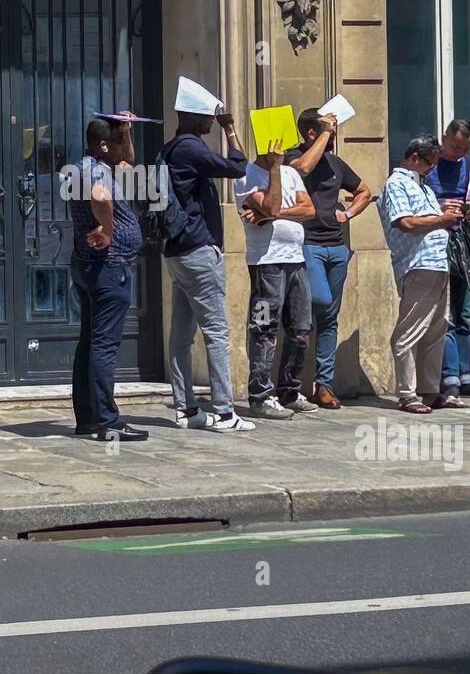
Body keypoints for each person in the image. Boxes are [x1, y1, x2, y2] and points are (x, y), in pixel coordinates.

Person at [162, 101, 255, 431]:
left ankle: (186, 410)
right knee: (216, 332)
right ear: (191, 117)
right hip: (199, 251)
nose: (211, 123)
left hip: (177, 251)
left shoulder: (171, 148)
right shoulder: (190, 148)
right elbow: (238, 165)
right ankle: (225, 412)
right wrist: (231, 127)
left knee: (181, 335)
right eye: (207, 117)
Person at [65, 115, 147, 441]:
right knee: (104, 346)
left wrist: (126, 130)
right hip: (108, 267)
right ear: (102, 145)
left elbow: (128, 160)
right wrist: (110, 231)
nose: (123, 148)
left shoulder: (80, 167)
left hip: (88, 266)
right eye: (117, 140)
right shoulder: (98, 171)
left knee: (89, 342)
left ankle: (87, 418)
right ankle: (107, 422)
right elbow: (101, 196)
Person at [286, 108, 371, 409]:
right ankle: (290, 382)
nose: (335, 138)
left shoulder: (336, 163)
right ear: (312, 133)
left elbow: (364, 190)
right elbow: (302, 170)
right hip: (308, 245)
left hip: (336, 248)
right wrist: (324, 132)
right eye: (330, 133)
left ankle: (324, 384)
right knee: (319, 301)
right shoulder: (291, 157)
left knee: (329, 318)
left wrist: (347, 214)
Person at [378, 133, 465, 414]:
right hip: (417, 264)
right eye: (430, 163)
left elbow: (424, 217)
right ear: (415, 157)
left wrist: (444, 211)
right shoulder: (397, 183)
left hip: (438, 262)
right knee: (410, 329)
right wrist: (442, 219)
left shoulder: (423, 186)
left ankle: (429, 390)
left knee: (437, 328)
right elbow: (405, 222)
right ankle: (407, 393)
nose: (433, 169)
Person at [236, 140, 316, 417]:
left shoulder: (292, 174)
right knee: (264, 328)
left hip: (296, 260)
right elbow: (268, 207)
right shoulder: (246, 176)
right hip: (265, 263)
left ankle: (289, 390)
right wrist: (273, 170)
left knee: (301, 329)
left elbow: (309, 210)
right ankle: (260, 395)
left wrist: (271, 214)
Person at [425, 118, 470, 401]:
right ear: (444, 137)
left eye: (465, 147)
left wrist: (469, 210)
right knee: (445, 313)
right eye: (455, 146)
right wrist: (441, 208)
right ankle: (448, 376)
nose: (459, 152)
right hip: (436, 241)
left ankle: (466, 376)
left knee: (464, 311)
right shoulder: (429, 164)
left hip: (462, 240)